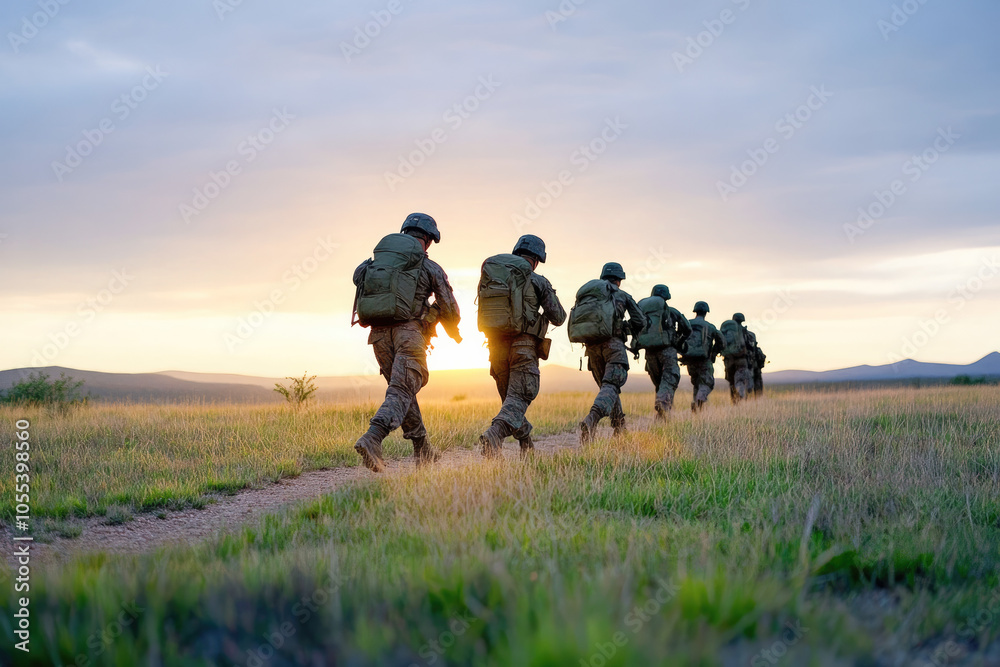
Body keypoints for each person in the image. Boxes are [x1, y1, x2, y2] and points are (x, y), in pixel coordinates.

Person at [351, 213, 461, 472]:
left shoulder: (375, 263)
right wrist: (444, 321)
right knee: (402, 389)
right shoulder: (429, 267)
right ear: (428, 240)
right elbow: (451, 310)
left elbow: (358, 280)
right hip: (409, 334)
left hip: (378, 336)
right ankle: (373, 437)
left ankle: (422, 449)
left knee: (402, 390)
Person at [478, 235, 566, 459]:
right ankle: (494, 435)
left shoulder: (494, 274)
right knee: (519, 398)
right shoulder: (537, 280)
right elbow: (558, 317)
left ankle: (526, 443)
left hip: (495, 348)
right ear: (536, 260)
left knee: (511, 401)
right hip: (523, 347)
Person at [571, 262, 645, 444]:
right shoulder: (621, 295)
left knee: (609, 388)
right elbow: (640, 320)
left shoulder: (588, 295)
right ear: (619, 280)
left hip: (591, 348)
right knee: (611, 386)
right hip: (613, 346)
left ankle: (620, 429)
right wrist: (627, 329)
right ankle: (592, 419)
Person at [631, 285, 691, 421]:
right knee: (669, 380)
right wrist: (679, 342)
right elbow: (687, 329)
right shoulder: (671, 311)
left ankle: (662, 418)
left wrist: (635, 347)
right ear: (666, 297)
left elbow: (635, 329)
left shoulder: (643, 311)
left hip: (649, 353)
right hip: (667, 350)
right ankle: (662, 404)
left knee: (659, 384)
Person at [681, 301, 723, 413]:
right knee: (707, 383)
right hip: (704, 360)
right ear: (706, 312)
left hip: (690, 360)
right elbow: (722, 341)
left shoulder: (688, 323)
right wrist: (714, 353)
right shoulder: (710, 326)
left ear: (695, 311)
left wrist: (683, 354)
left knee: (696, 383)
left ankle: (696, 407)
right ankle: (699, 399)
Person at [721, 312, 753, 404]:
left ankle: (734, 402)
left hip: (728, 360)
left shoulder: (727, 330)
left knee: (731, 382)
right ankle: (741, 398)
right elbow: (750, 347)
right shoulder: (744, 332)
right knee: (740, 381)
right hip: (741, 360)